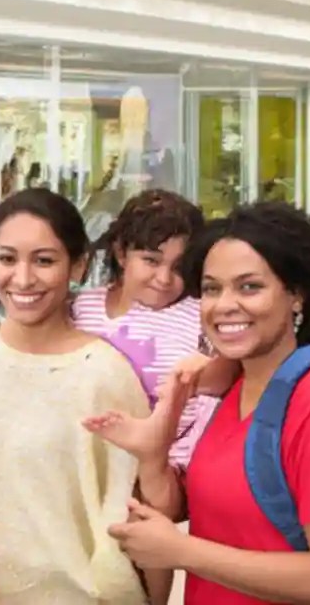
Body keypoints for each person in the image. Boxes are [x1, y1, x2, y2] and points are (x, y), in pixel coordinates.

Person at [87, 201, 310, 605]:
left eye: (249, 286)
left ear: (296, 294)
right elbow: (181, 510)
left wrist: (182, 552)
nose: (224, 305)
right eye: (212, 288)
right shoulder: (234, 386)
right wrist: (153, 454)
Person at [0, 188, 158, 605]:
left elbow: (136, 514)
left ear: (78, 265)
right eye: (7, 259)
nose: (22, 279)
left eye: (44, 260)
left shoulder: (105, 373)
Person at [72, 189, 216, 470]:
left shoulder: (200, 314)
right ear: (121, 253)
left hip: (167, 469)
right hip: (91, 464)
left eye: (179, 266)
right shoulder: (80, 307)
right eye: (151, 260)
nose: (164, 278)